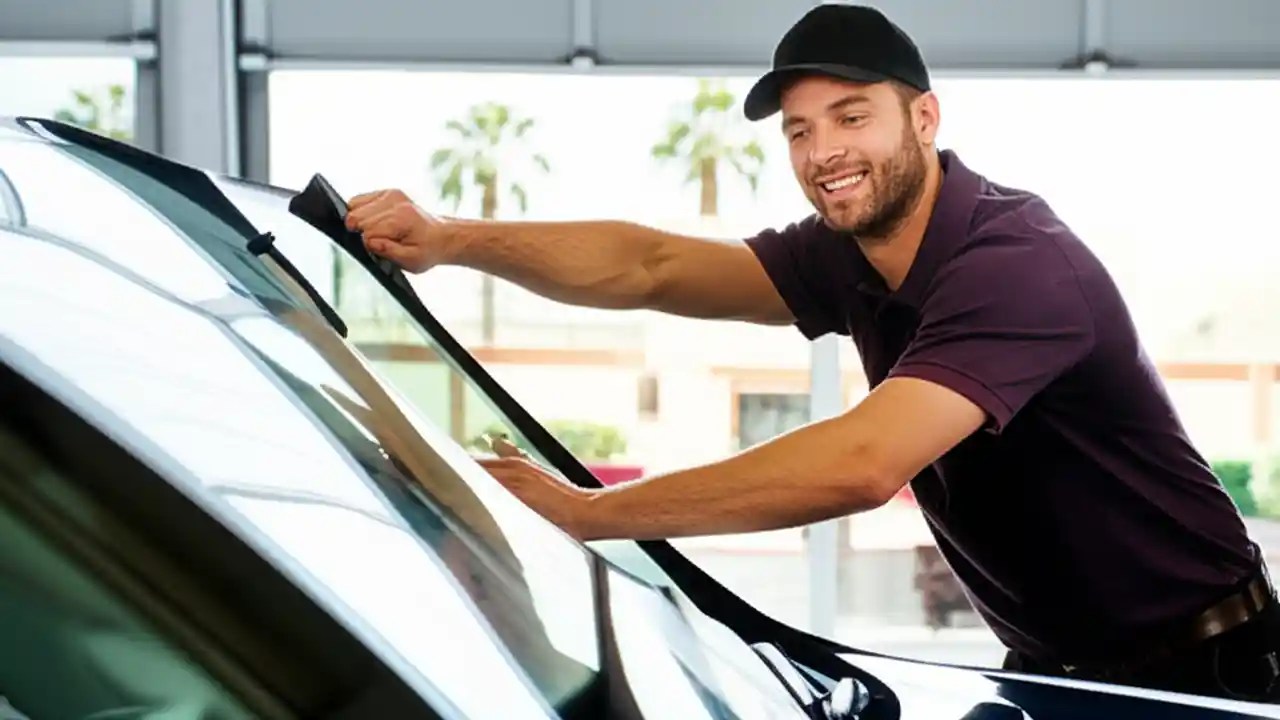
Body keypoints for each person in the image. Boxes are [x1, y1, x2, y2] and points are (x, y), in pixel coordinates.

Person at [345, 3, 1280, 703]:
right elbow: (655, 265)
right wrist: (454, 236)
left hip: (1210, 668)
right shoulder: (848, 255)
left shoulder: (1017, 266)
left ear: (924, 119)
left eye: (851, 115)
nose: (823, 149)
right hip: (1051, 672)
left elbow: (862, 465)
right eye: (801, 130)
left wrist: (588, 514)